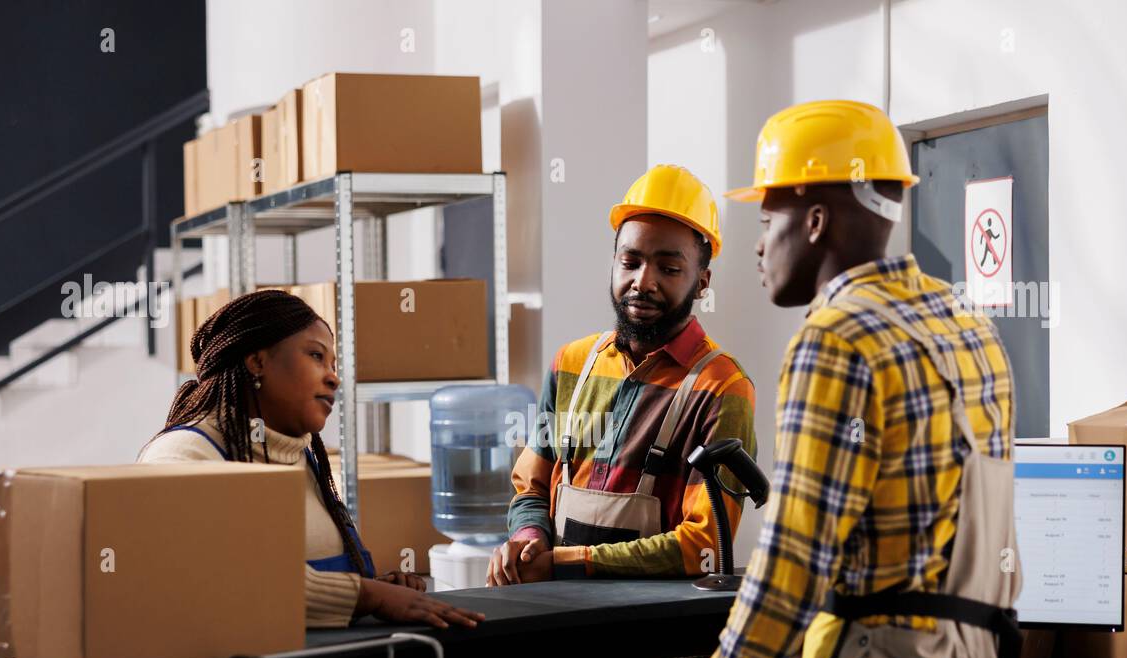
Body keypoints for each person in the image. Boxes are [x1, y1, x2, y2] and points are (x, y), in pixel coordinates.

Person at [601, 101, 1024, 658]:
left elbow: (791, 570)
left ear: (818, 220)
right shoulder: (968, 326)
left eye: (769, 217)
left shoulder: (836, 339)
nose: (759, 244)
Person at [139, 289, 485, 631]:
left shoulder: (301, 459)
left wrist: (378, 587)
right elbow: (230, 581)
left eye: (334, 364)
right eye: (316, 356)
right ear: (257, 362)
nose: (334, 377)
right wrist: (367, 596)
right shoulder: (182, 455)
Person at [487, 165, 758, 586]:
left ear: (702, 282)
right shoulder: (572, 363)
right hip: (556, 610)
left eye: (668, 269)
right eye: (630, 261)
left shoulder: (722, 387)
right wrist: (528, 539)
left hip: (651, 631)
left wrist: (564, 563)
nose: (642, 282)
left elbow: (702, 546)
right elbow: (531, 487)